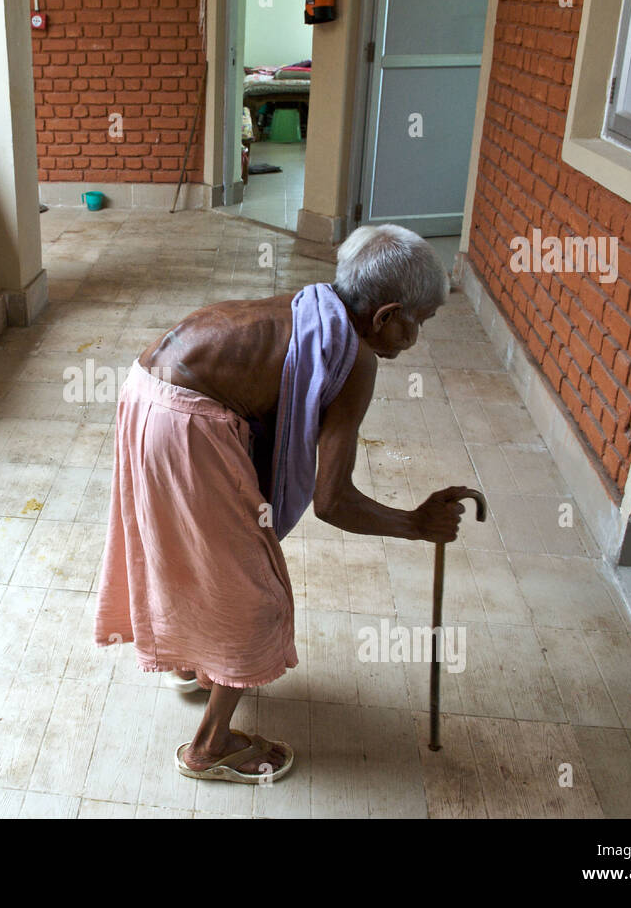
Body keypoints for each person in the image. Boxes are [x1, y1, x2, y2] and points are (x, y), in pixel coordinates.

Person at [94, 223, 482, 783]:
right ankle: (210, 747)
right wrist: (416, 524)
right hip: (184, 422)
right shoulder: (356, 359)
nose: (415, 337)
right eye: (420, 321)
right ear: (386, 316)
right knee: (257, 595)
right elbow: (333, 501)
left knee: (193, 550)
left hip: (144, 394)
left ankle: (197, 662)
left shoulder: (308, 309)